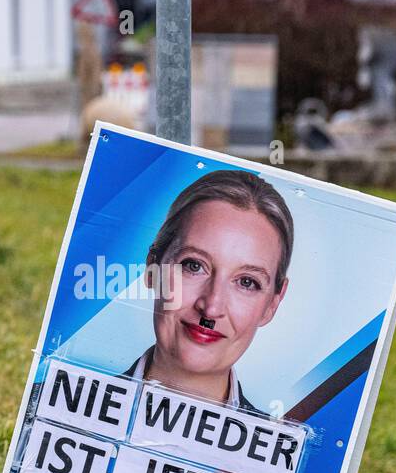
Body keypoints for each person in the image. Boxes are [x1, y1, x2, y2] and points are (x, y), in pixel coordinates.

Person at [125, 169, 293, 416]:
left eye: (247, 282)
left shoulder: (289, 453)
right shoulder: (50, 408)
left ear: (272, 304)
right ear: (153, 268)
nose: (211, 307)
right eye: (193, 266)